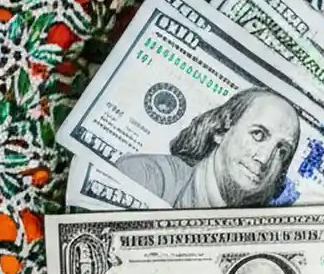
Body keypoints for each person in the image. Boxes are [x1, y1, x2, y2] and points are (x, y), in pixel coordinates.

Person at [117, 88, 301, 208]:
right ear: (221, 130)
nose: (264, 159)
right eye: (258, 134)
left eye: (281, 151)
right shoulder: (144, 175)